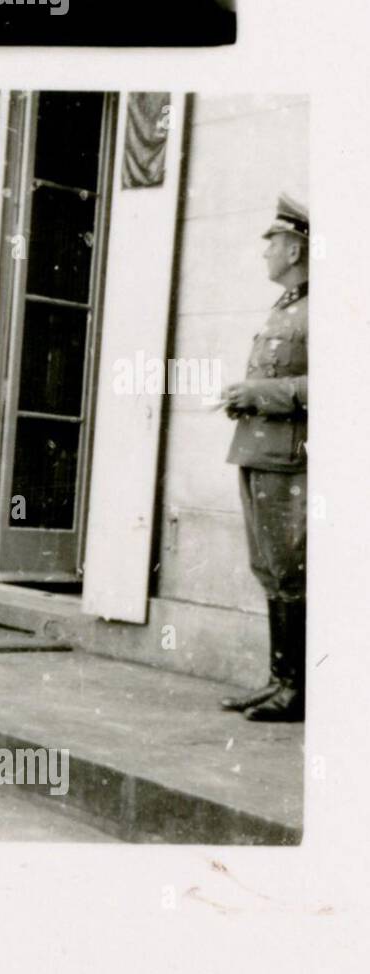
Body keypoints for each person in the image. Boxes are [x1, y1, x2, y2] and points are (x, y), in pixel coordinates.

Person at [220, 194, 308, 723]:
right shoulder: (287, 306)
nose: (265, 253)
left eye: (272, 243)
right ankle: (278, 680)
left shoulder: (323, 306)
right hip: (259, 452)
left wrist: (258, 394)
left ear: (295, 248)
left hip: (289, 459)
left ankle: (295, 688)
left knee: (290, 571)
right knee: (269, 570)